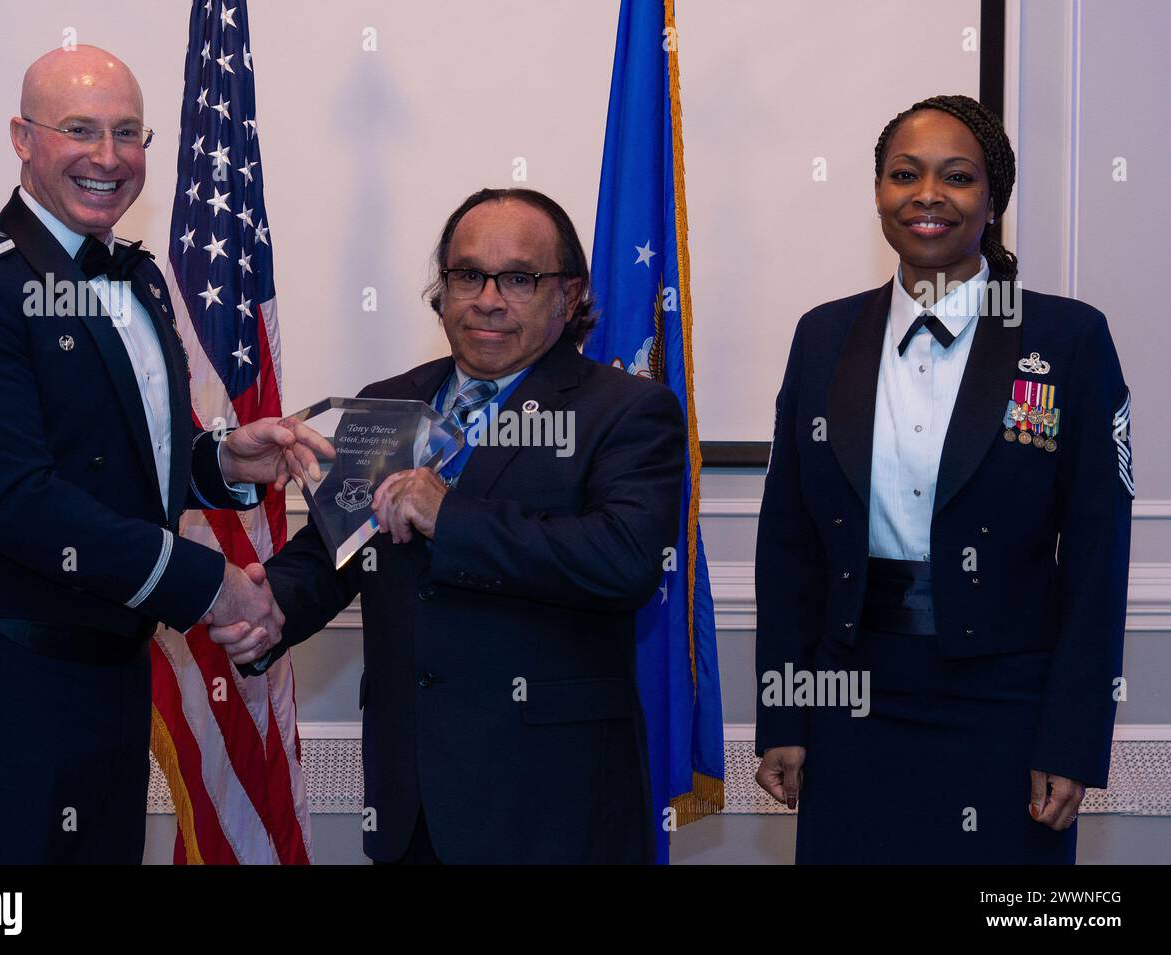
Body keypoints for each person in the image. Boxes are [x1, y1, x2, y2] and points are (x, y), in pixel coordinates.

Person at [0, 46, 327, 864]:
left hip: (115, 670)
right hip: (3, 672)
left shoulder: (142, 277)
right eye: (79, 130)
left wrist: (225, 462)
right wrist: (214, 586)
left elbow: (124, 455)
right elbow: (21, 502)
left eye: (128, 133)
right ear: (23, 138)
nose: (109, 157)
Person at [216, 188, 685, 863]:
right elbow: (333, 550)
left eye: (518, 278)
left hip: (555, 808)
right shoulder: (388, 401)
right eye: (467, 274)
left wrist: (451, 516)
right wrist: (266, 606)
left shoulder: (626, 410)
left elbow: (624, 559)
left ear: (569, 293)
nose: (487, 298)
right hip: (412, 805)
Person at [753, 94, 1132, 864]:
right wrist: (785, 712)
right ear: (879, 195)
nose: (927, 194)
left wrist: (1072, 736)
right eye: (904, 174)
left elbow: (1098, 554)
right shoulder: (823, 334)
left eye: (956, 176)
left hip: (1008, 708)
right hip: (850, 701)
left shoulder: (1068, 337)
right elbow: (788, 542)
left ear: (993, 199)